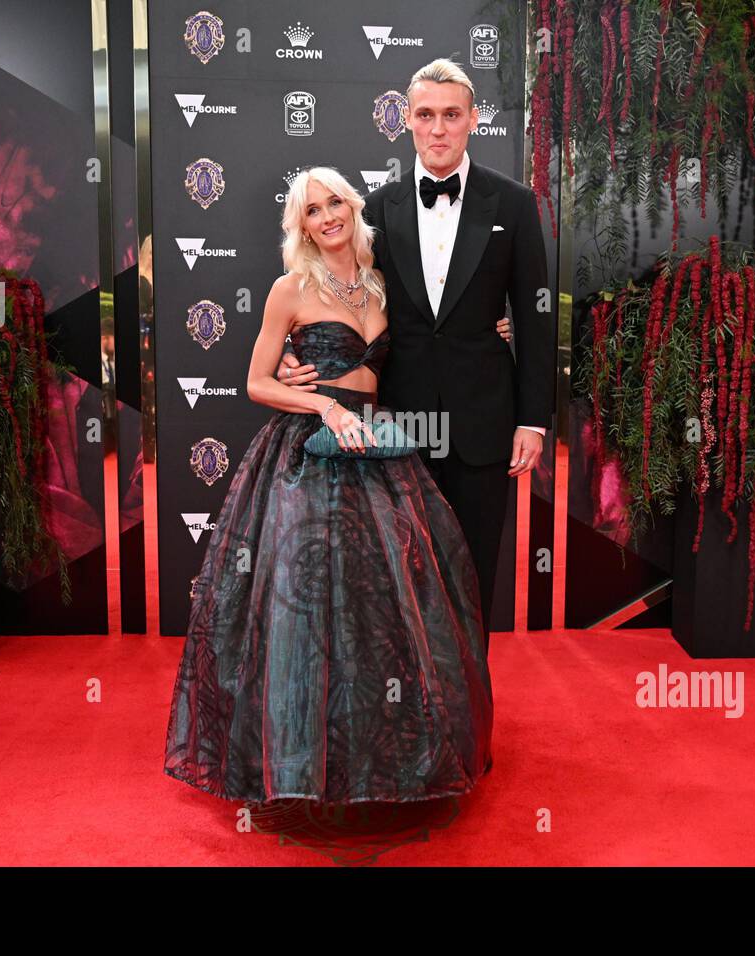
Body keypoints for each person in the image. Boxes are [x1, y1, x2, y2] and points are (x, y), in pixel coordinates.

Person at [164, 166, 496, 805]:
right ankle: (296, 764)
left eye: (335, 202)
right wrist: (321, 406)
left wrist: (495, 332)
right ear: (303, 227)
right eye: (313, 211)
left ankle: (386, 756)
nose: (328, 217)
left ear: (353, 206)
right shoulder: (289, 289)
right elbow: (257, 382)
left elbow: (436, 338)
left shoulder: (382, 283)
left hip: (378, 449)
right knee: (303, 608)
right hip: (308, 456)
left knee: (388, 606)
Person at [278, 59, 554, 650]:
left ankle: (468, 722)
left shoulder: (513, 204)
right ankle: (408, 725)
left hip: (485, 420)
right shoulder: (373, 210)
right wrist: (294, 355)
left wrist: (533, 418)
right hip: (397, 424)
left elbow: (535, 317)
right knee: (402, 577)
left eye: (451, 115)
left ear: (473, 120)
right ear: (406, 120)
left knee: (474, 574)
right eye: (425, 115)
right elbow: (334, 295)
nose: (438, 129)